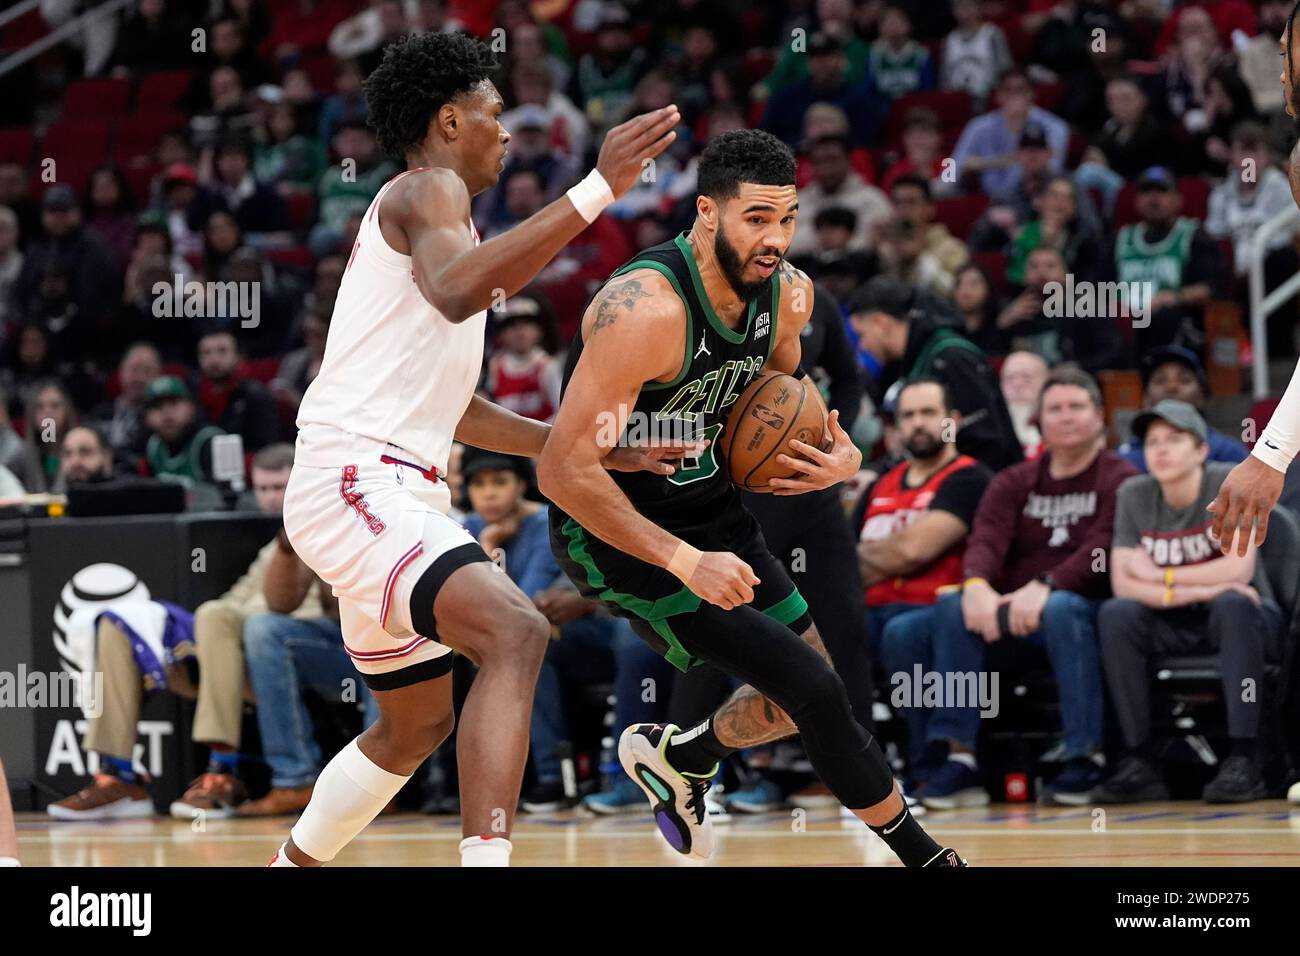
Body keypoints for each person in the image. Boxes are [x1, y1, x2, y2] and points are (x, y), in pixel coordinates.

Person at [268, 31, 681, 869]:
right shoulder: (428, 191)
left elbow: (459, 409)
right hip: (357, 476)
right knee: (517, 633)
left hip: (393, 486)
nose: (506, 129)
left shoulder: (438, 219)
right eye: (495, 113)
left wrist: (589, 449)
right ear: (450, 120)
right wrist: (598, 188)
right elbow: (462, 294)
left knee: (417, 723)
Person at [537, 128, 965, 867]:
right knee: (815, 692)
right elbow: (560, 469)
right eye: (757, 218)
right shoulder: (643, 309)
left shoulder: (788, 296)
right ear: (707, 212)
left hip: (714, 511)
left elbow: (776, 402)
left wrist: (833, 459)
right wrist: (682, 561)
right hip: (618, 532)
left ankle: (686, 758)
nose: (776, 237)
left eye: (788, 217)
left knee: (808, 688)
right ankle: (928, 859)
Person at [912, 368, 1139, 808]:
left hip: (1085, 612)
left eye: (1076, 407)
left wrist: (1047, 585)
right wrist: (976, 585)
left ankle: (1084, 755)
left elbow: (1102, 549)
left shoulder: (1121, 477)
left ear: (1099, 416)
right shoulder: (1013, 480)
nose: (1066, 416)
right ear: (1038, 420)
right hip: (1012, 615)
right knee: (952, 607)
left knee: (1062, 609)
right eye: (1054, 408)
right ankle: (959, 757)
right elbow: (986, 540)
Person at [1097, 401, 1283, 804]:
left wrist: (1159, 576)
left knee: (1232, 603)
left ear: (1201, 449)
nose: (1160, 449)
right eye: (1152, 441)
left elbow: (1237, 572)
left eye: (1174, 439)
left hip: (1245, 618)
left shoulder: (1227, 483)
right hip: (1174, 616)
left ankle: (1244, 759)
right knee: (1117, 615)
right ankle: (1140, 760)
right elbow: (1122, 583)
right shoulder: (1133, 493)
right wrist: (1195, 589)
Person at [849, 276, 1024, 471]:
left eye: (861, 335)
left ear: (880, 323)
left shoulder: (951, 357)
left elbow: (979, 440)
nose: (862, 347)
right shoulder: (920, 356)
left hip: (977, 491)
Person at [1116, 345, 1248, 473]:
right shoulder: (1125, 460)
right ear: (1145, 398)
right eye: (1160, 380)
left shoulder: (1228, 454)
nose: (1172, 387)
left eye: (1184, 380)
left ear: (1201, 395)